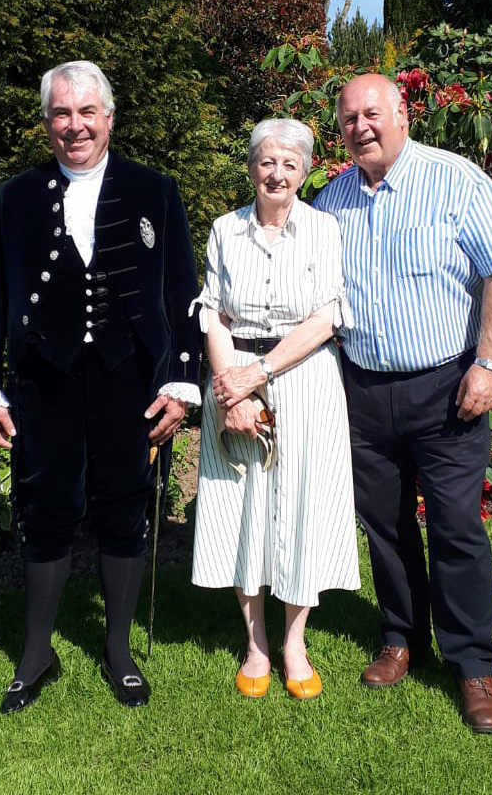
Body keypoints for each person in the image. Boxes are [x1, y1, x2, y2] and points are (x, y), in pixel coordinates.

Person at [0, 60, 201, 712]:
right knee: (43, 509)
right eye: (61, 113)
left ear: (109, 117)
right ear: (47, 121)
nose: (75, 125)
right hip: (44, 377)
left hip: (132, 377)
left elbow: (182, 288)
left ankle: (118, 651)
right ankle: (36, 653)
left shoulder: (154, 189)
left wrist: (182, 379)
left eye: (87, 112)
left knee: (124, 505)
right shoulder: (12, 196)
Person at [312, 74, 492, 732]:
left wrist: (486, 365)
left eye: (371, 113)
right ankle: (401, 638)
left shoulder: (455, 181)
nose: (360, 127)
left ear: (402, 114)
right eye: (348, 118)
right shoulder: (332, 200)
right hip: (364, 389)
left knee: (456, 528)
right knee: (384, 525)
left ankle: (472, 666)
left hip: (446, 389)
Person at [192, 118, 360, 700]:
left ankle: (295, 642)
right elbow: (212, 311)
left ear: (306, 171)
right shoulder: (224, 229)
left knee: (300, 508)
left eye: (290, 163)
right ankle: (255, 642)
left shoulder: (323, 229)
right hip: (234, 377)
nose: (277, 173)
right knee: (245, 511)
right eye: (267, 161)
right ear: (250, 167)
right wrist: (228, 387)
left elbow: (326, 316)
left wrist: (257, 375)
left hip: (302, 379)